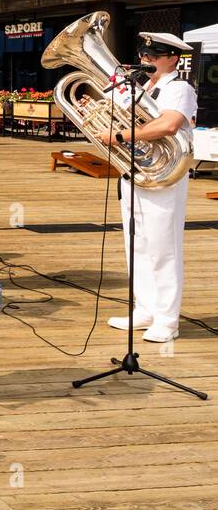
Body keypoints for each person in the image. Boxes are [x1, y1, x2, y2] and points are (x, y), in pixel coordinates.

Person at [95, 32, 196, 343]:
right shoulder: (139, 88)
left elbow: (168, 125)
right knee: (136, 245)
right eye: (144, 53)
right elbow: (116, 116)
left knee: (162, 249)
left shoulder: (179, 88)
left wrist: (122, 137)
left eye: (155, 55)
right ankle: (145, 309)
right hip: (135, 174)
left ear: (173, 58)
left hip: (165, 177)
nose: (146, 59)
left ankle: (167, 319)